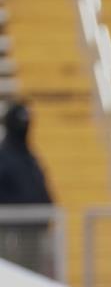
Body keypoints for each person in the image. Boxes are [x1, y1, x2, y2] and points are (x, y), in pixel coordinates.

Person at [0, 100, 55, 276]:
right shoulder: (4, 157)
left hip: (33, 237)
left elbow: (42, 193)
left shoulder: (30, 158)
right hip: (10, 238)